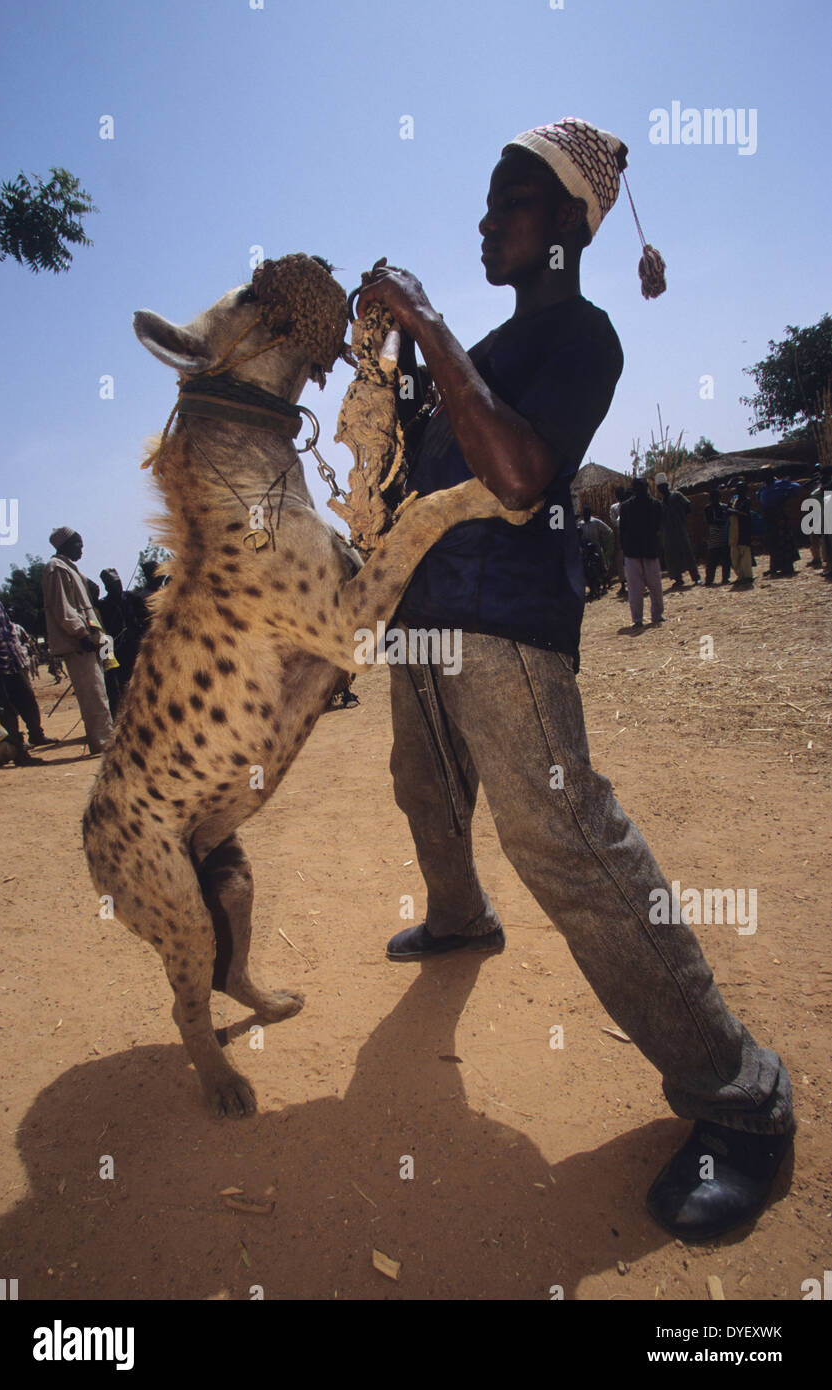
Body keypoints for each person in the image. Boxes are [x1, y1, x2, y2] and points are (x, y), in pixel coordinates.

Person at [356, 115, 793, 1242]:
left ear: (562, 223)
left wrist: (430, 324)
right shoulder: (485, 352)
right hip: (429, 617)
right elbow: (408, 474)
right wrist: (383, 360)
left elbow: (514, 474)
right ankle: (458, 917)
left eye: (507, 203)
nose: (486, 222)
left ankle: (741, 1098)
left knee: (569, 843)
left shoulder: (581, 339)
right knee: (423, 788)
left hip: (508, 626)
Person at [42, 527, 113, 754]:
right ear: (64, 545)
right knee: (93, 696)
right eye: (78, 545)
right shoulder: (56, 569)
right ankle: (102, 743)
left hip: (92, 641)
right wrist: (80, 633)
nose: (81, 549)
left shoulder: (70, 569)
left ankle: (107, 738)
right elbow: (62, 608)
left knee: (101, 692)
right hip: (79, 644)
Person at [0, 567, 53, 759]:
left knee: (27, 699)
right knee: (5, 708)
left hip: (12, 661)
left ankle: (37, 735)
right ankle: (17, 747)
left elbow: (8, 629)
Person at [619, 477, 665, 625]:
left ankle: (653, 616)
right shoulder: (627, 507)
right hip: (637, 551)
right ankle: (642, 618)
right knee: (638, 588)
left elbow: (623, 531)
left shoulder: (655, 505)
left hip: (645, 550)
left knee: (651, 587)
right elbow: (623, 531)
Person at [655, 473, 700, 587]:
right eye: (660, 487)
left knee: (687, 553)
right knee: (671, 556)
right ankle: (678, 579)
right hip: (668, 534)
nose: (662, 489)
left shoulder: (677, 495)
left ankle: (696, 577)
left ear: (667, 485)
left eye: (664, 486)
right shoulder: (660, 504)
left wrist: (680, 518)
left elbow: (687, 507)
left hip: (680, 530)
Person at [758, 469, 801, 577]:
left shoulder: (780, 484)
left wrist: (787, 496)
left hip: (778, 515)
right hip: (768, 517)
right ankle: (774, 566)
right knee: (772, 542)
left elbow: (797, 487)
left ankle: (787, 566)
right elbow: (758, 496)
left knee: (783, 540)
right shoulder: (763, 487)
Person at [727, 477, 755, 586]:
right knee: (734, 554)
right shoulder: (734, 500)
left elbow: (744, 513)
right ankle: (740, 575)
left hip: (743, 528)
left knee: (745, 552)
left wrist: (733, 511)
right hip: (733, 528)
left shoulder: (746, 500)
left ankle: (747, 576)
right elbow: (729, 510)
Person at [703, 486, 731, 585]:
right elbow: (711, 521)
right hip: (715, 537)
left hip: (723, 536)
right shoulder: (709, 508)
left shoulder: (724, 507)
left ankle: (725, 578)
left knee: (725, 560)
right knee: (712, 561)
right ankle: (709, 580)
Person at [609, 484, 628, 595]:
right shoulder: (614, 508)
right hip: (621, 537)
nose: (619, 496)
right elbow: (614, 522)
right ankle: (622, 584)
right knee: (621, 561)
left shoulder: (630, 504)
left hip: (631, 536)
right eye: (617, 495)